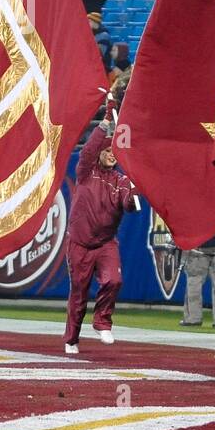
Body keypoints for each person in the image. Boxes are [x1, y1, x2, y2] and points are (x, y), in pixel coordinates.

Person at [62, 114, 139, 354]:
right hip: (79, 242)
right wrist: (105, 122)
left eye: (114, 152)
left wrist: (134, 198)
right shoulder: (86, 171)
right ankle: (72, 338)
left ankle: (102, 322)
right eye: (107, 151)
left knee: (113, 280)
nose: (110, 155)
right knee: (79, 294)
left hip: (105, 243)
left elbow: (129, 204)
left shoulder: (121, 180)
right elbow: (88, 150)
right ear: (100, 153)